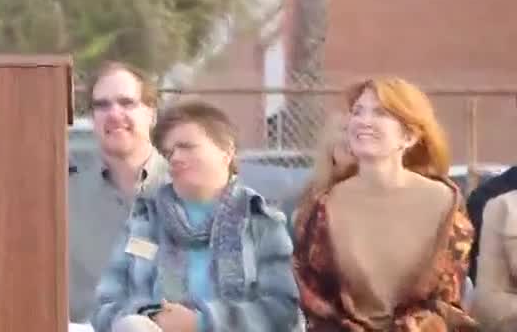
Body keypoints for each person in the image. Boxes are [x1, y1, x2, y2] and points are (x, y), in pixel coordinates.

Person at [93, 99, 301, 332]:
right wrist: (150, 318)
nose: (175, 158)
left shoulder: (262, 222)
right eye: (169, 152)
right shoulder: (145, 220)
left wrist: (202, 323)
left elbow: (282, 311)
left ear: (227, 152)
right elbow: (105, 305)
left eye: (186, 146)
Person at [293, 76, 476, 330]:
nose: (363, 121)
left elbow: (446, 301)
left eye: (380, 113)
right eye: (358, 111)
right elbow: (314, 298)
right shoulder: (323, 205)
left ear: (409, 136)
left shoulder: (446, 203)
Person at [69, 61, 168, 324]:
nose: (114, 114)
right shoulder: (64, 197)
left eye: (126, 103)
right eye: (102, 105)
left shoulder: (188, 188)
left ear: (152, 113)